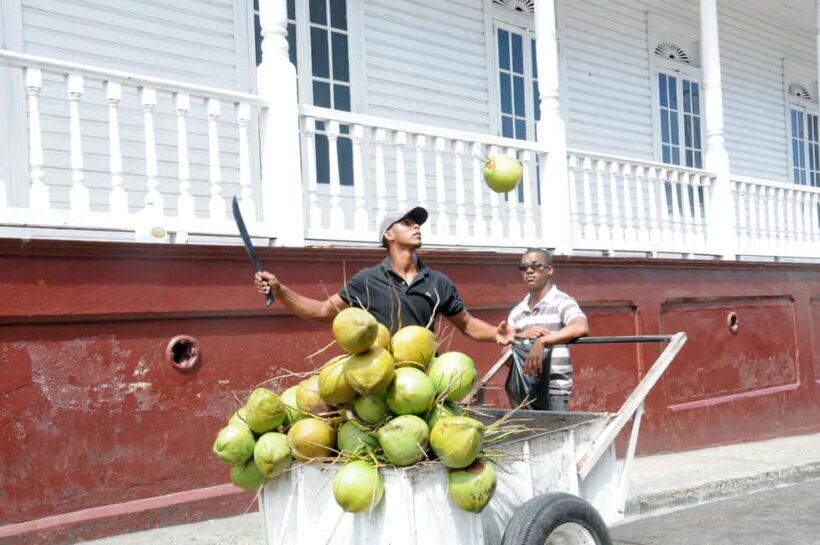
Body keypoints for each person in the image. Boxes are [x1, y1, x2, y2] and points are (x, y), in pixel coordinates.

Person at [254, 206, 514, 345]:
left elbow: (467, 324)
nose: (416, 227)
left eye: (418, 223)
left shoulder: (438, 282)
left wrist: (496, 334)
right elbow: (323, 311)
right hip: (379, 381)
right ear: (388, 235)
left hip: (423, 383)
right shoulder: (367, 279)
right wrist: (280, 291)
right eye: (407, 223)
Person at [505, 248, 589, 411]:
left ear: (549, 270)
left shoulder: (562, 302)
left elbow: (580, 326)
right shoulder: (517, 312)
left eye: (535, 266)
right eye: (523, 267)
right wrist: (522, 338)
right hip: (524, 391)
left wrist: (542, 341)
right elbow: (506, 358)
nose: (529, 271)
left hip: (554, 390)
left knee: (552, 436)